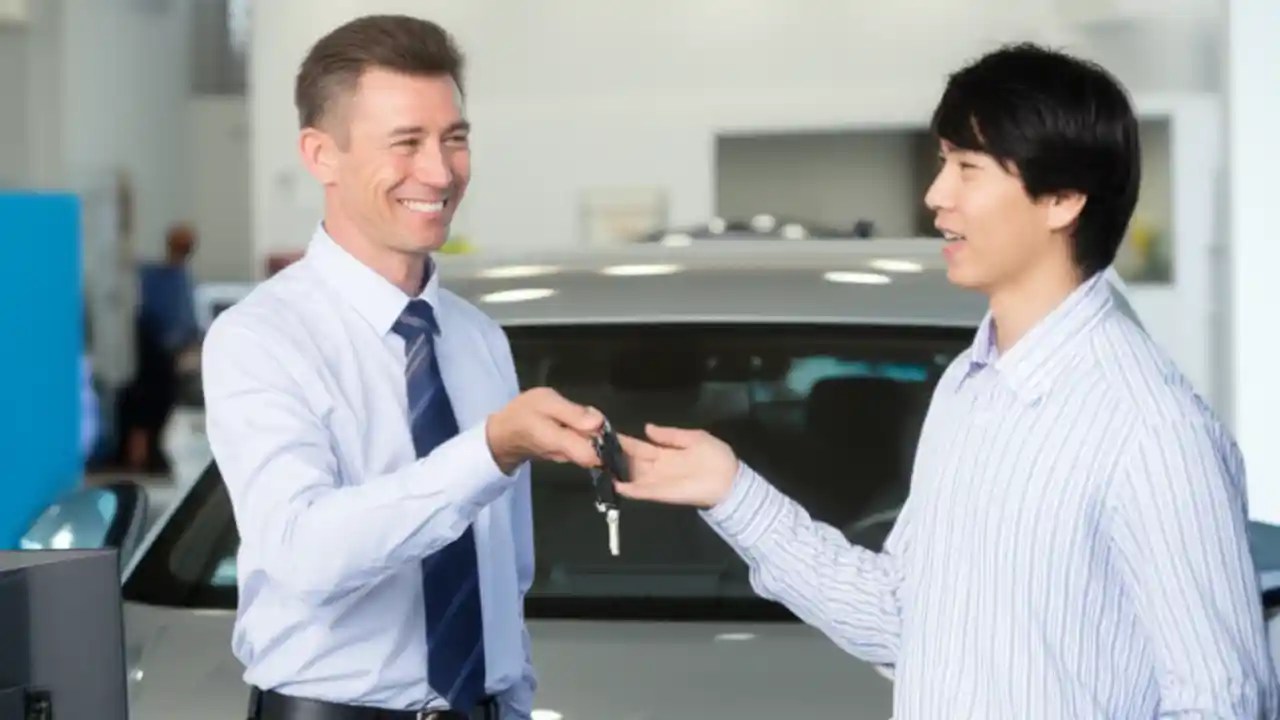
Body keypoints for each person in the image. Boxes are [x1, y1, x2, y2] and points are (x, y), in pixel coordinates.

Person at [616, 43, 1280, 719]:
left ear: (1063, 198)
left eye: (968, 168)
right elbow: (900, 618)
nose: (936, 196)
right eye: (943, 163)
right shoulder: (971, 385)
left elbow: (1221, 703)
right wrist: (732, 493)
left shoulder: (1152, 428)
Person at [200, 15, 604, 720]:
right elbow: (302, 552)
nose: (440, 172)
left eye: (454, 139)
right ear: (321, 154)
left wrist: (512, 696)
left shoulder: (478, 338)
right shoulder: (260, 338)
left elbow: (506, 576)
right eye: (406, 142)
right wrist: (486, 450)